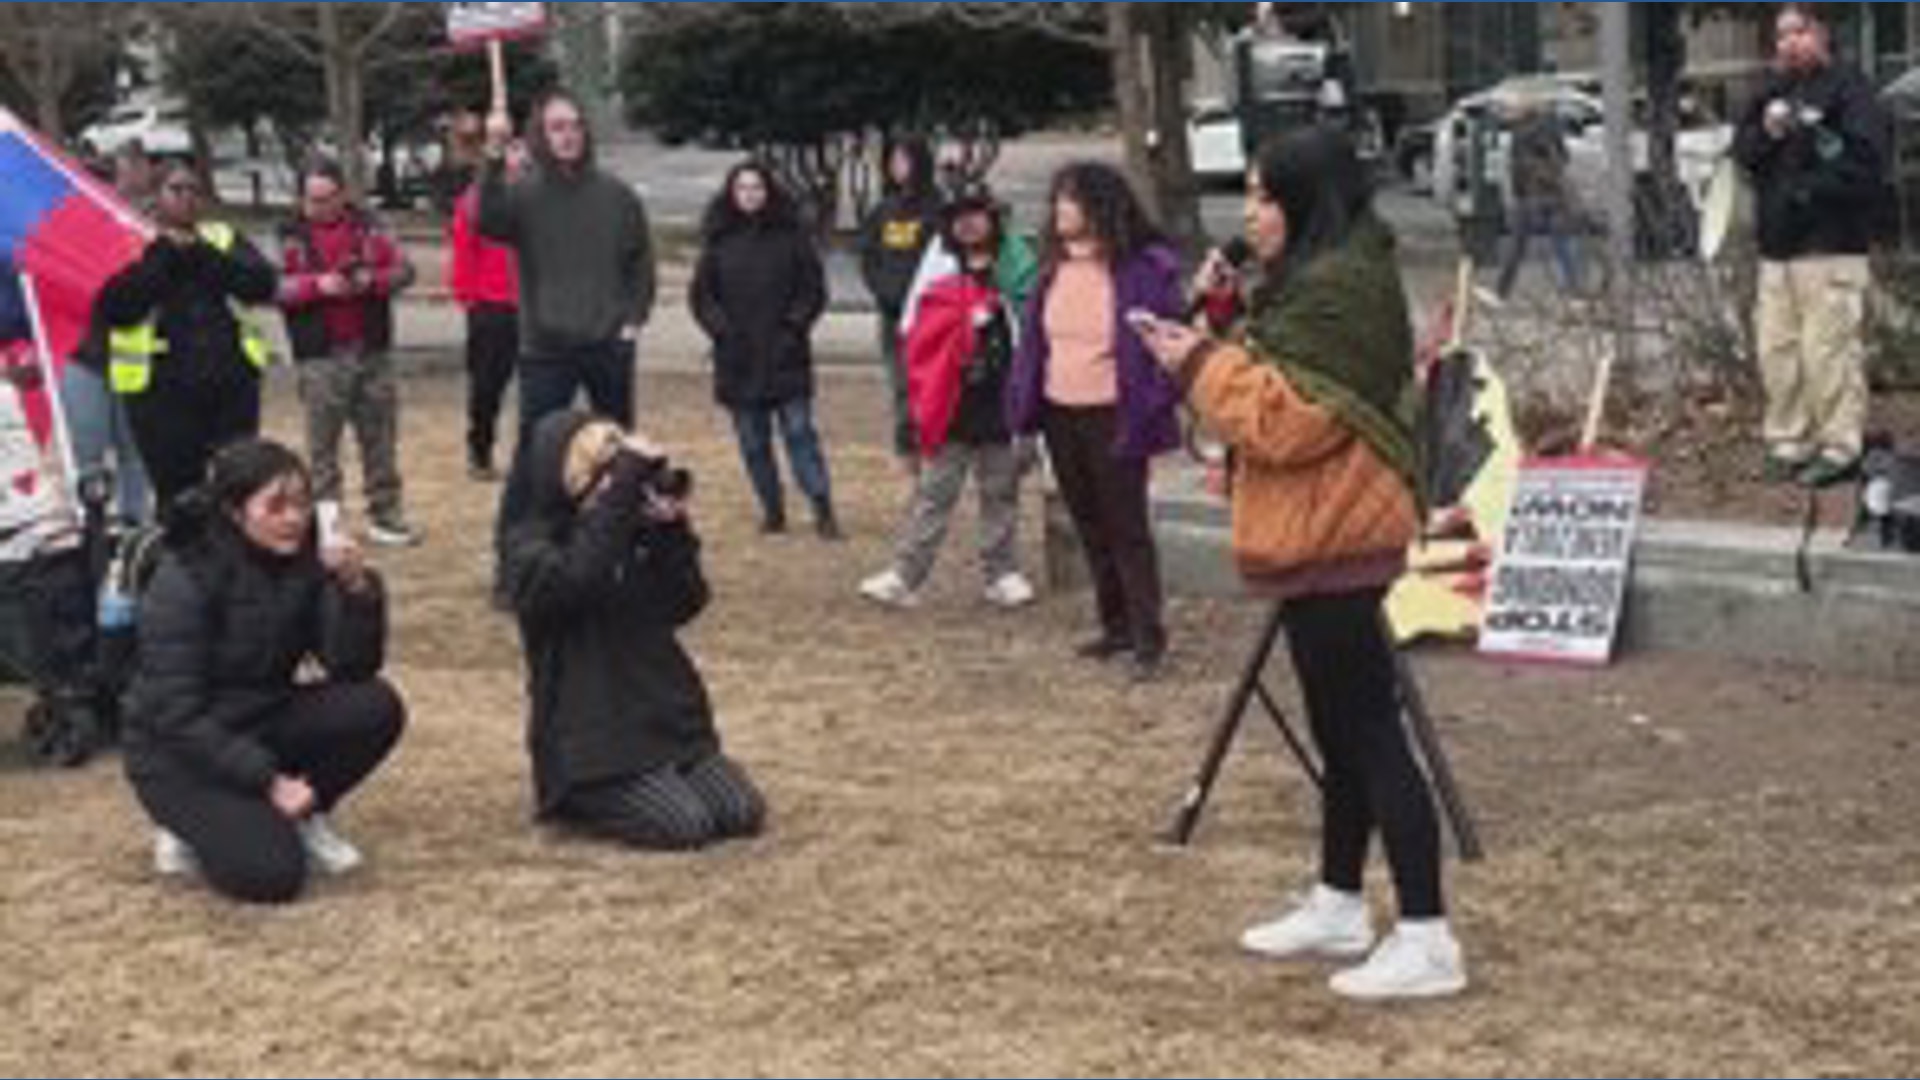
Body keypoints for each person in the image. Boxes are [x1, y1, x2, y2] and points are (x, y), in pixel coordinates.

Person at [1134, 128, 1467, 1003]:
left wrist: (1196, 361)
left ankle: (1429, 935)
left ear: (1306, 202)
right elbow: (1267, 375)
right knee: (1339, 727)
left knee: (1369, 730)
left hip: (1341, 533)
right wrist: (1209, 325)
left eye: (1264, 198)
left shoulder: (1342, 293)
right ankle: (1340, 900)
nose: (1250, 216)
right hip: (1315, 532)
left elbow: (1284, 421)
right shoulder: (1310, 284)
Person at [123, 439, 406, 905]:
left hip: (260, 717)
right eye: (276, 506)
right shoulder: (185, 577)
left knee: (375, 705)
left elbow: (350, 667)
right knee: (271, 876)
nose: (293, 518)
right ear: (236, 512)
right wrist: (267, 781)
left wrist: (357, 592)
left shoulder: (304, 560)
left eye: (301, 504)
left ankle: (304, 812)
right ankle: (188, 826)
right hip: (176, 753)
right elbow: (174, 714)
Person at [501, 410, 766, 851]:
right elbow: (577, 580)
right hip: (592, 736)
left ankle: (664, 775)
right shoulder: (530, 546)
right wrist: (621, 496)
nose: (618, 484)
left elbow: (685, 603)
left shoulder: (628, 532)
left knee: (740, 813)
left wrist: (671, 534)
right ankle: (580, 801)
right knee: (686, 826)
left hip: (666, 717)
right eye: (607, 472)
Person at [1008, 162, 1184, 683]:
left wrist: (1154, 399)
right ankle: (1116, 626)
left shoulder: (1141, 268)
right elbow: (1037, 343)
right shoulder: (1053, 269)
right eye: (1058, 200)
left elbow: (1167, 339)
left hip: (1114, 411)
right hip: (1061, 410)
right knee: (1087, 520)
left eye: (1071, 200)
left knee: (1125, 524)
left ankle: (1148, 634)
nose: (1060, 210)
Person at [480, 90, 657, 546]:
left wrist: (632, 321)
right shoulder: (523, 195)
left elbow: (641, 262)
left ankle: (620, 550)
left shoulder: (617, 196)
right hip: (547, 349)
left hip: (608, 345)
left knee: (618, 454)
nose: (568, 135)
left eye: (575, 125)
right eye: (557, 127)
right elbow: (488, 220)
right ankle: (517, 557)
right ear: (541, 134)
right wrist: (494, 152)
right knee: (535, 454)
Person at [1733, 2, 1892, 489]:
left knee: (1829, 352)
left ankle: (1840, 445)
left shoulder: (1850, 89)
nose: (1789, 43)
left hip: (1831, 246)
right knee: (1777, 352)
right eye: (1781, 35)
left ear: (1822, 34)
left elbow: (1867, 165)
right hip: (1776, 250)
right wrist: (1768, 130)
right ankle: (1789, 440)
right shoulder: (1769, 92)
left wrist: (1808, 187)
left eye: (1799, 32)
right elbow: (1742, 153)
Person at [859, 182, 1037, 611]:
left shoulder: (1016, 266)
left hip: (1000, 400)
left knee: (1000, 491)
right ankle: (906, 574)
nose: (969, 224)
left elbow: (1031, 324)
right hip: (952, 400)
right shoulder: (939, 269)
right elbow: (920, 333)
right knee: (935, 493)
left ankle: (1002, 572)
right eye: (960, 217)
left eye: (977, 214)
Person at [95, 162, 277, 512]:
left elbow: (261, 285)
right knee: (179, 495)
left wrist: (199, 253)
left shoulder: (221, 237)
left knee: (235, 486)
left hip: (229, 386)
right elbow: (117, 307)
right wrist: (163, 254)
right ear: (156, 195)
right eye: (176, 190)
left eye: (194, 190)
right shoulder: (131, 239)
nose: (187, 199)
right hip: (161, 391)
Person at [690, 161, 840, 540]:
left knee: (800, 432)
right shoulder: (718, 242)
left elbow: (813, 290)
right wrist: (721, 331)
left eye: (756, 187)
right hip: (738, 358)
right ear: (731, 193)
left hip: (785, 355)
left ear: (768, 191)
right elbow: (702, 296)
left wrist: (794, 326)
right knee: (753, 441)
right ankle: (772, 509)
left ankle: (821, 505)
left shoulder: (792, 238)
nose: (750, 194)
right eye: (742, 188)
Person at [277, 160, 421, 548]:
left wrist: (369, 280)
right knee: (323, 445)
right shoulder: (288, 234)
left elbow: (407, 271)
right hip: (319, 354)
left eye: (327, 198)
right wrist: (318, 285)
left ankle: (386, 514)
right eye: (312, 199)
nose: (319, 206)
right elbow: (274, 288)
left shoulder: (371, 226)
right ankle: (329, 522)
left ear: (342, 194)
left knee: (380, 437)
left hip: (371, 349)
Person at [61, 140, 160, 525]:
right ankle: (92, 530)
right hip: (81, 357)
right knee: (87, 454)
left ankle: (137, 529)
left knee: (136, 453)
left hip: (130, 359)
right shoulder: (61, 235)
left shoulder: (135, 231)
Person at [859, 137, 943, 469]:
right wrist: (883, 291)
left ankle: (933, 443)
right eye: (893, 161)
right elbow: (868, 257)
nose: (897, 167)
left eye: (904, 160)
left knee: (930, 383)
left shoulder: (936, 209)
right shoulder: (883, 210)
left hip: (928, 313)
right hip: (891, 313)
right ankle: (906, 446)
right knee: (900, 384)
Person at [449, 138, 526, 483]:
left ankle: (534, 456)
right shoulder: (474, 201)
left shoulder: (541, 197)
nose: (520, 158)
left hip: (535, 307)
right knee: (487, 386)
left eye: (525, 150)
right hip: (491, 306)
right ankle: (480, 451)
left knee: (538, 386)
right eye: (513, 150)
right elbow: (463, 251)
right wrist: (468, 298)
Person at [1490, 100, 1581, 302]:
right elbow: (1564, 158)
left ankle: (1501, 292)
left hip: (1530, 195)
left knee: (1517, 245)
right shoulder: (1552, 129)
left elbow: (1520, 167)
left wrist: (1519, 191)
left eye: (1510, 109)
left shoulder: (1522, 134)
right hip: (1555, 193)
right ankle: (1574, 290)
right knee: (1562, 243)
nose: (1507, 115)